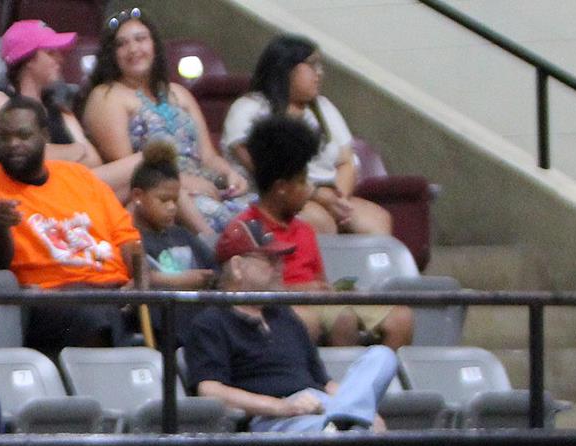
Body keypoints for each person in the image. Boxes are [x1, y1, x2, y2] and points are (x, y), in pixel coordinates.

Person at [0, 96, 142, 358]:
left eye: (23, 136)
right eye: (5, 137)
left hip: (115, 288)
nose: (13, 144)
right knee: (93, 311)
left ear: (44, 136)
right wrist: (0, 227)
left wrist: (141, 282)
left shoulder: (80, 177)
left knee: (179, 308)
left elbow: (128, 240)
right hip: (50, 296)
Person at [186, 214, 399, 432]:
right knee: (349, 428)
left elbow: (324, 382)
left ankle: (347, 420)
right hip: (272, 419)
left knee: (382, 356)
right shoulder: (211, 323)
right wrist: (281, 407)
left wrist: (361, 407)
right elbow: (210, 389)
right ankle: (347, 425)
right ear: (237, 266)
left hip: (319, 405)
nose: (280, 267)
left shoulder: (284, 316)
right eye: (270, 260)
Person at [241, 115, 413, 348]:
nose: (308, 190)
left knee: (401, 318)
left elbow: (319, 280)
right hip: (283, 306)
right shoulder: (245, 229)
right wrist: (302, 291)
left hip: (319, 301)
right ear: (281, 188)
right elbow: (247, 291)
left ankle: (380, 369)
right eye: (302, 182)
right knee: (343, 319)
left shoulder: (305, 230)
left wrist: (331, 290)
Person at [80, 8, 247, 238]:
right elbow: (130, 170)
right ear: (112, 54)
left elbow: (208, 157)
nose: (133, 49)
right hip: (162, 197)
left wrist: (230, 174)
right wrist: (183, 183)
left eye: (141, 39)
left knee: (261, 216)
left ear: (155, 45)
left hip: (206, 185)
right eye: (122, 44)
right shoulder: (106, 96)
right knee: (234, 230)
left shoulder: (178, 92)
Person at [222, 34, 392, 238]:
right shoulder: (249, 109)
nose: (319, 73)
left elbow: (346, 161)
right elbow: (265, 170)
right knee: (320, 221)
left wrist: (340, 200)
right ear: (286, 68)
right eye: (312, 65)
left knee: (378, 219)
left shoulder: (324, 107)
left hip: (328, 194)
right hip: (273, 198)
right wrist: (320, 196)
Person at [0, 20, 135, 193]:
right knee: (142, 163)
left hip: (70, 188)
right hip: (22, 193)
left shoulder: (59, 111)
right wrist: (77, 150)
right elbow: (28, 154)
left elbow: (94, 160)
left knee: (142, 176)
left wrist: (55, 155)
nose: (60, 59)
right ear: (28, 59)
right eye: (51, 53)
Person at [129, 139, 213, 291]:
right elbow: (138, 280)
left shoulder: (183, 236)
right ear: (137, 196)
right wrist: (181, 281)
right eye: (164, 200)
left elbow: (214, 269)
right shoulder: (131, 241)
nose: (172, 207)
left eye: (175, 200)